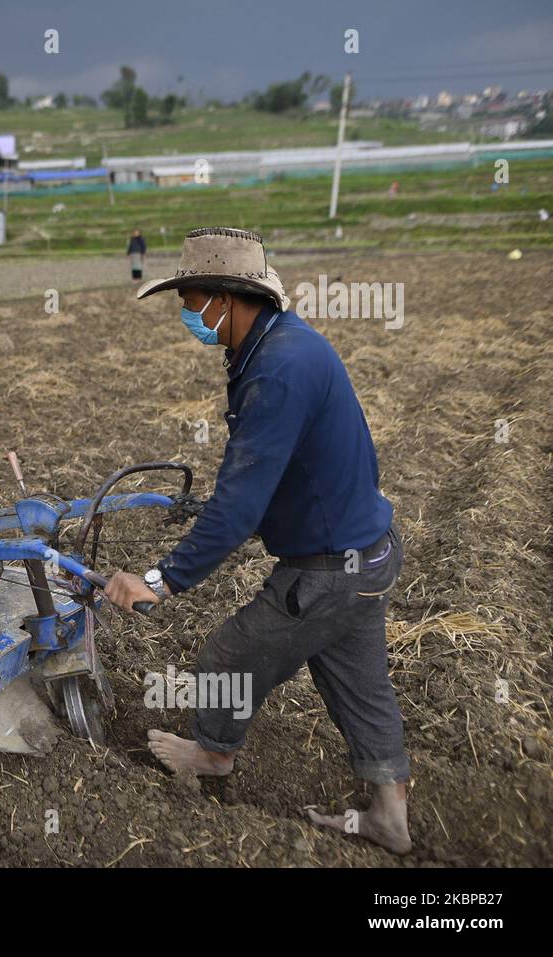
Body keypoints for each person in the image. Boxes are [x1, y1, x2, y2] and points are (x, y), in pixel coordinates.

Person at [104, 227, 410, 854]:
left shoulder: (278, 370)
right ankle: (389, 814)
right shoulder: (282, 347)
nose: (188, 313)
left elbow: (240, 504)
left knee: (227, 656)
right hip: (368, 551)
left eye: (191, 299)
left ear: (228, 296)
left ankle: (213, 755)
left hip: (329, 569)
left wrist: (160, 579)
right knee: (359, 681)